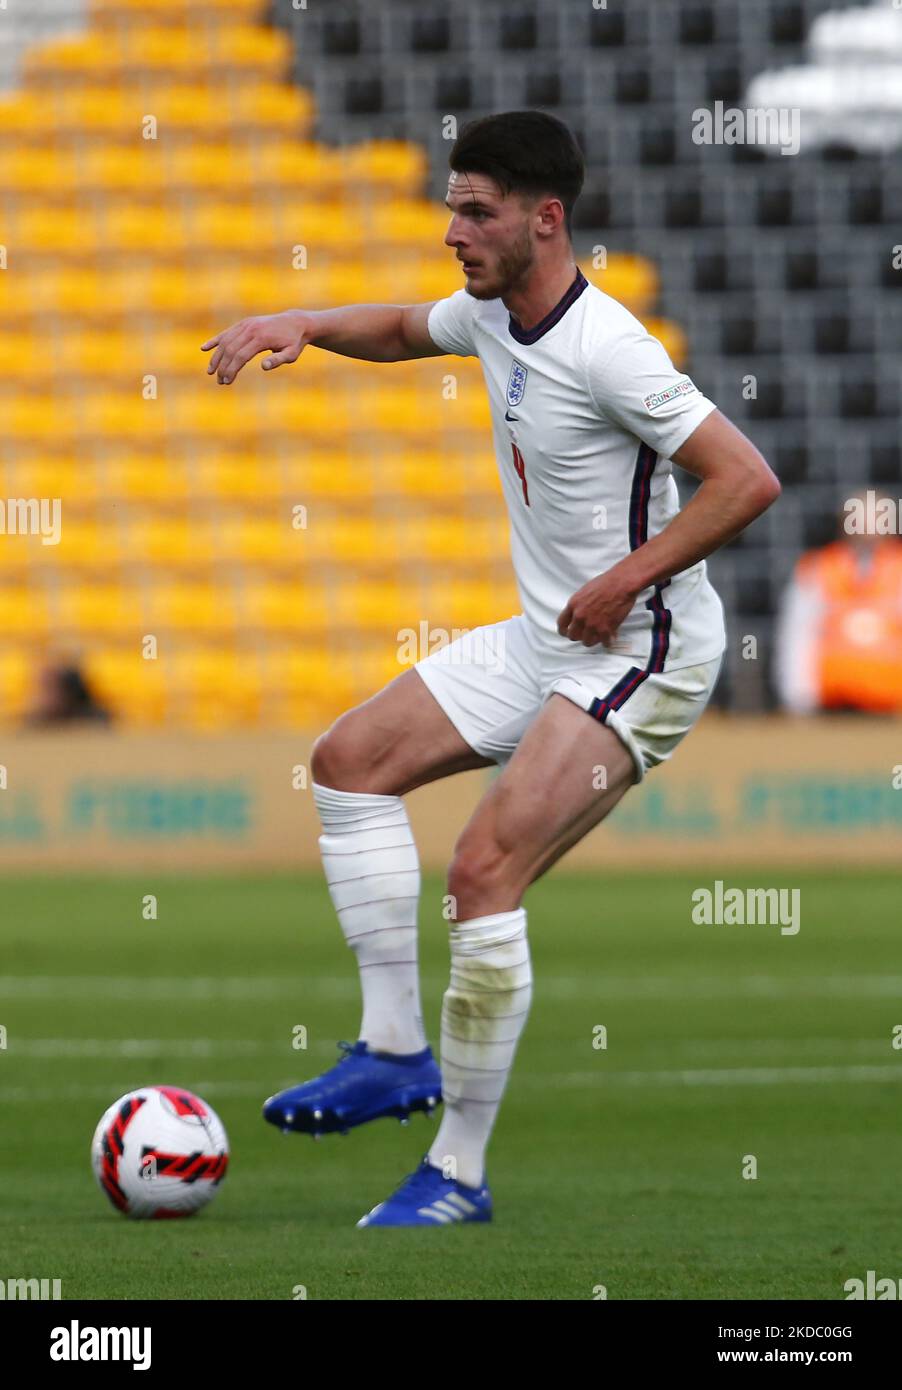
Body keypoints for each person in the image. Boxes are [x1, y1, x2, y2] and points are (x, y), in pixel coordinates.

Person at [201, 111, 780, 1228]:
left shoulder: (607, 346)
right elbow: (400, 330)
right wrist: (305, 323)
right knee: (346, 762)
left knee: (480, 871)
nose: (452, 229)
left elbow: (742, 479)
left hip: (640, 647)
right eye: (451, 207)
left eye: (475, 210)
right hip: (548, 634)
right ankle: (391, 1051)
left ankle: (455, 1175)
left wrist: (625, 578)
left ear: (542, 219)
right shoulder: (490, 314)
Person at [774, 494, 902, 714]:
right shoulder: (818, 567)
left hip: (892, 703)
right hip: (833, 703)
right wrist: (799, 694)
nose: (867, 530)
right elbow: (798, 633)